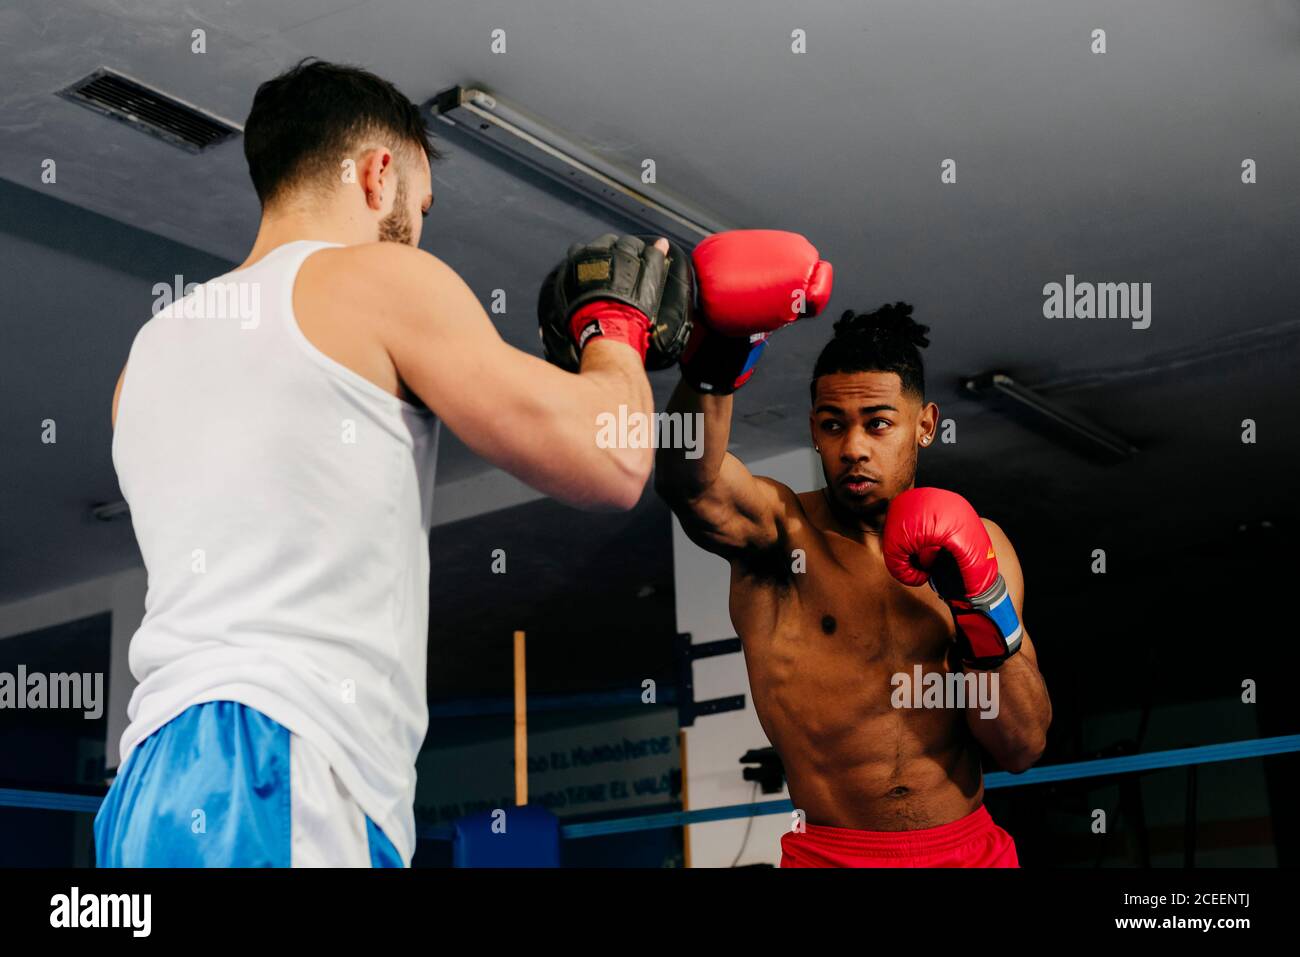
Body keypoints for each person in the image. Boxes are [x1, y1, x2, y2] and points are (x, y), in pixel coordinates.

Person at [96, 58, 683, 867]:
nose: (422, 228)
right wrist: (615, 335)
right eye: (422, 204)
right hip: (280, 762)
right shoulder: (375, 277)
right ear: (379, 175)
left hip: (148, 783)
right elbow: (613, 463)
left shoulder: (147, 356)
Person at [655, 230, 1052, 867]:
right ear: (815, 428)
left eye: (879, 423)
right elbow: (689, 482)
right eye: (834, 425)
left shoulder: (982, 542)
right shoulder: (781, 537)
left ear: (926, 424)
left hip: (968, 851)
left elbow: (1023, 746)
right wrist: (717, 362)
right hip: (833, 856)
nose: (854, 447)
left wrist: (982, 606)